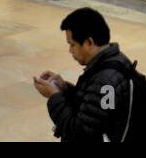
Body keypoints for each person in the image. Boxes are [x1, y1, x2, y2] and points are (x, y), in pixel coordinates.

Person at [33, 8, 132, 142]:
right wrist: (65, 89)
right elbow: (93, 109)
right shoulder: (114, 60)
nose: (70, 50)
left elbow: (79, 133)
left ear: (89, 42)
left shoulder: (105, 81)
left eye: (72, 45)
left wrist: (54, 97)